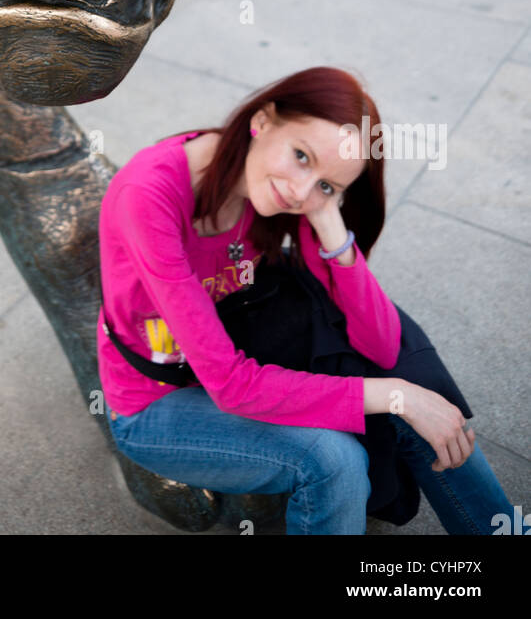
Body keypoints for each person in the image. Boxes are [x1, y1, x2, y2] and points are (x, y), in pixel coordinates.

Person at [98, 66, 514, 535]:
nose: (300, 189)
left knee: (411, 371)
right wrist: (395, 398)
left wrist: (327, 215)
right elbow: (231, 386)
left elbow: (381, 344)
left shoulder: (286, 193)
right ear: (263, 119)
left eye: (327, 184)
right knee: (334, 459)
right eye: (301, 155)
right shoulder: (149, 195)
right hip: (158, 401)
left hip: (238, 341)